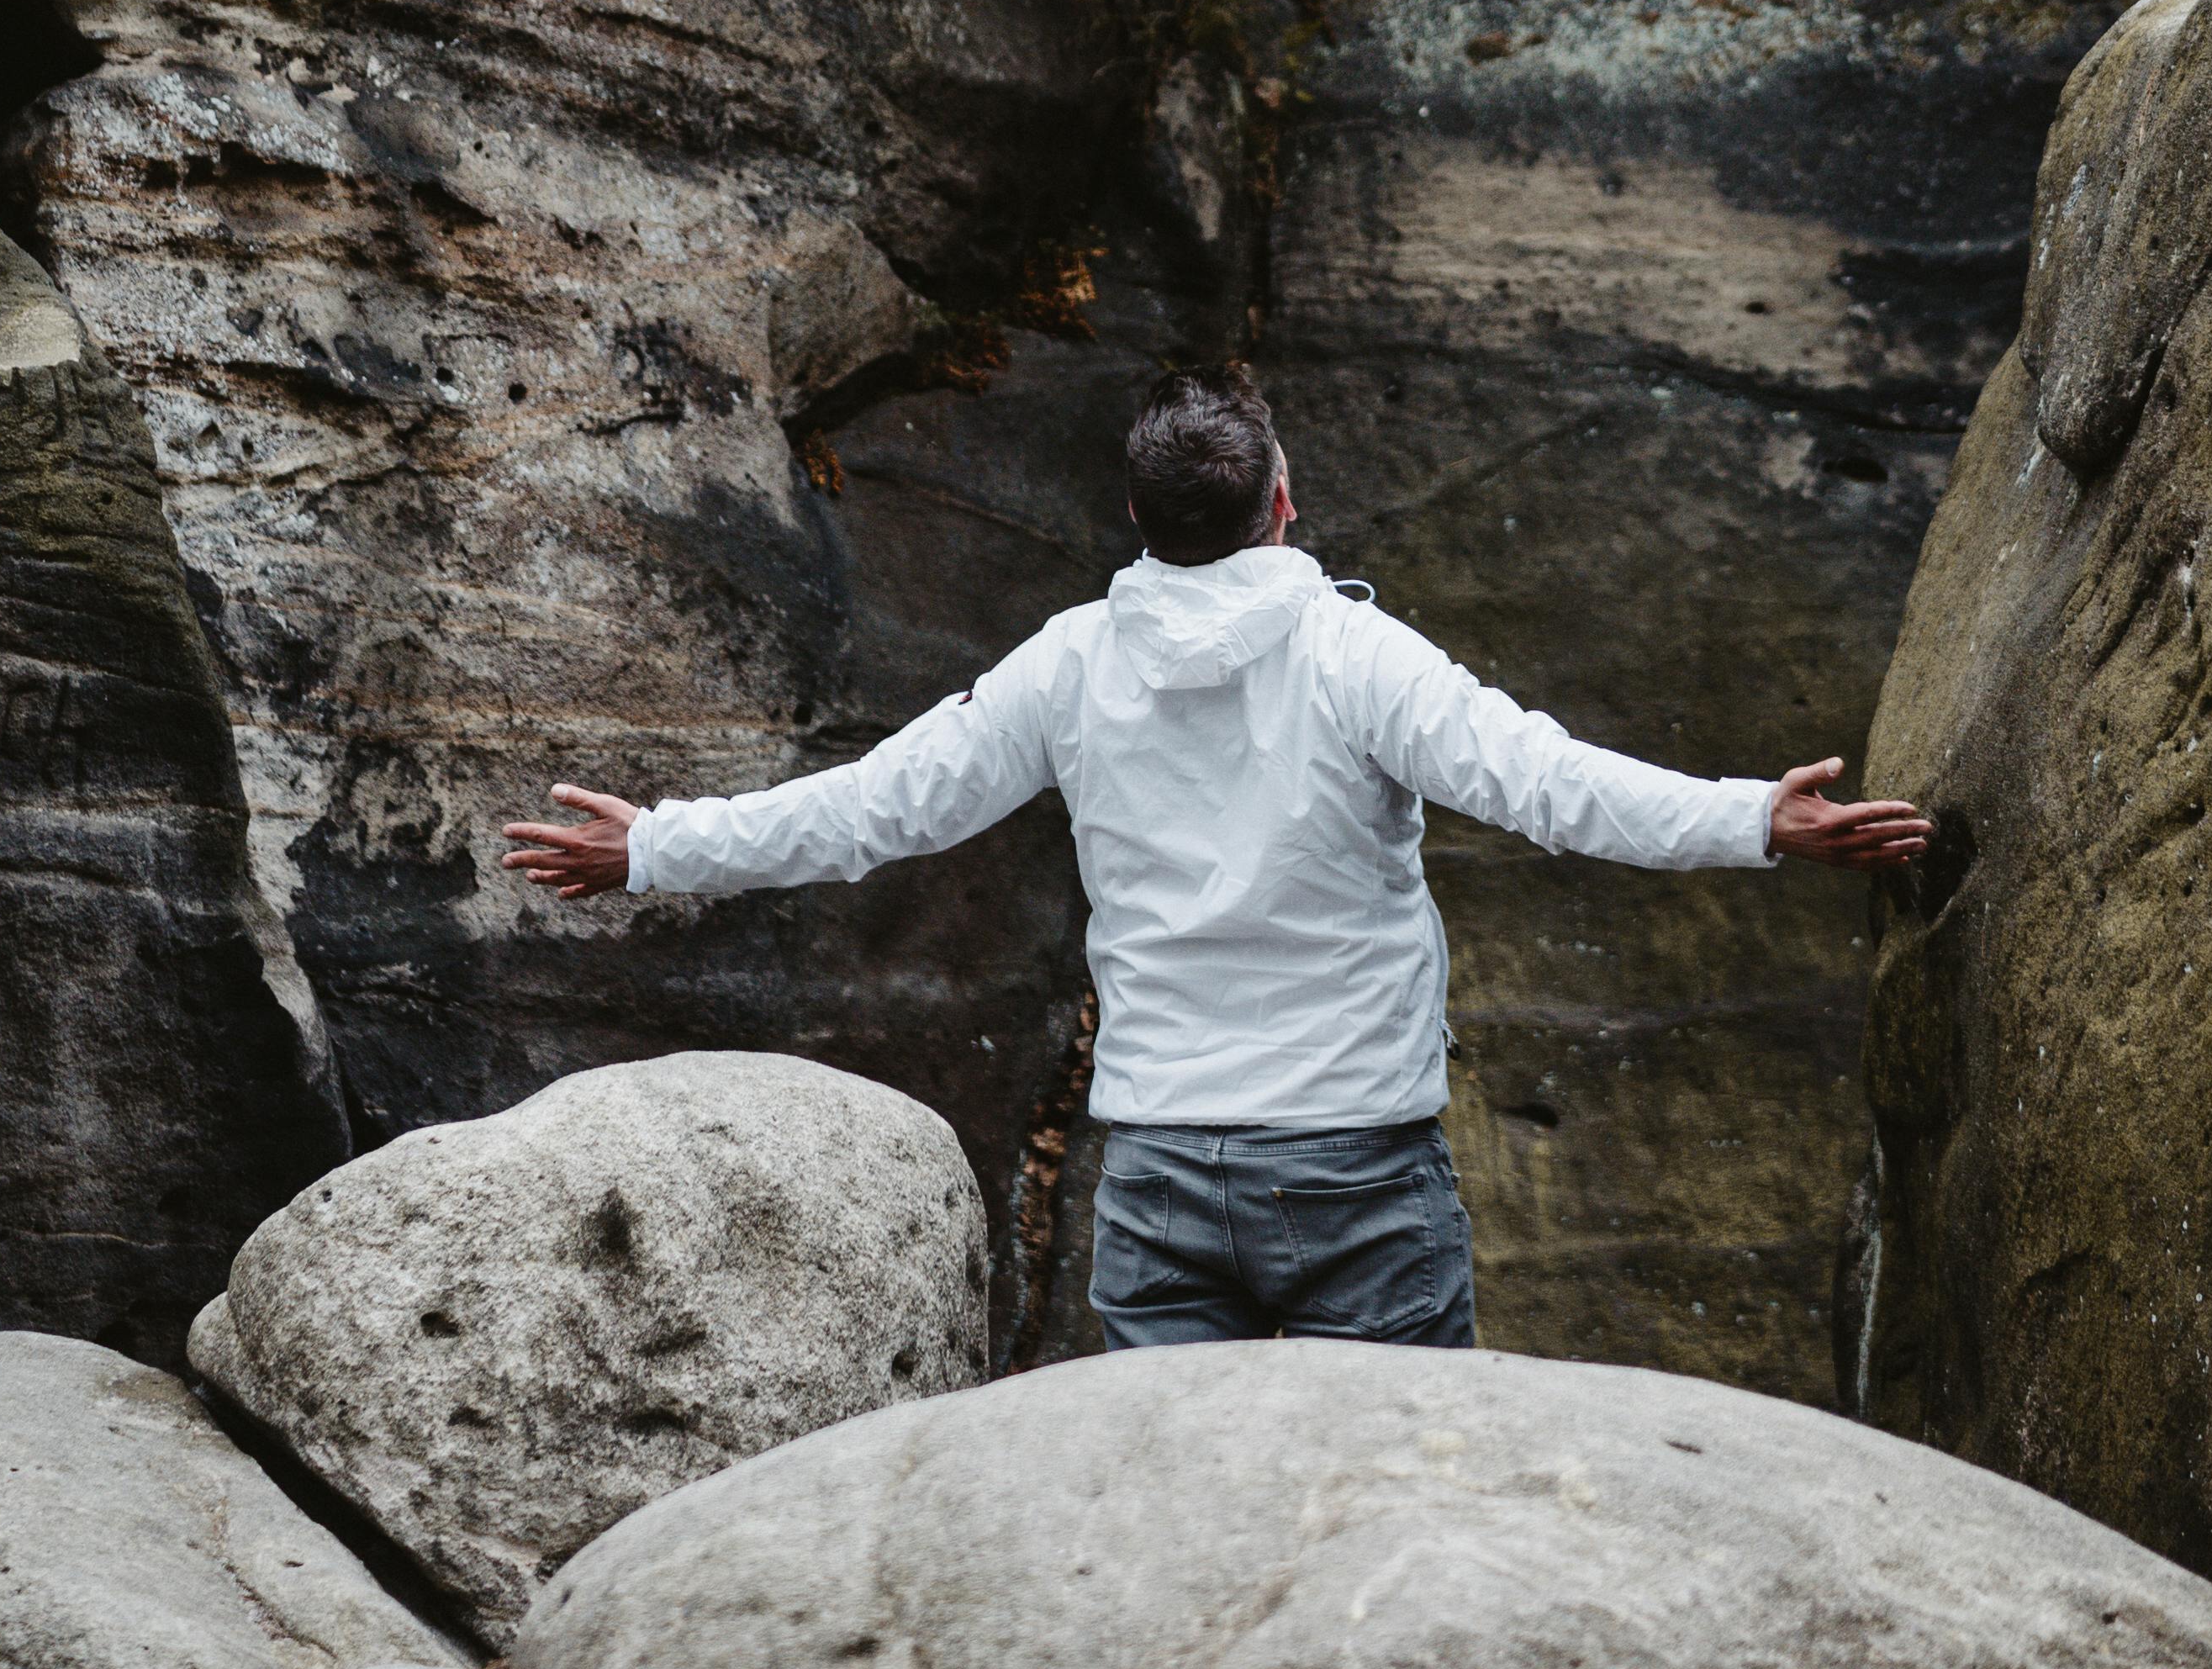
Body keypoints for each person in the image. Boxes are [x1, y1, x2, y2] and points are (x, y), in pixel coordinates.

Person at [502, 357, 1932, 1352]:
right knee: (1389, 1511)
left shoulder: (1069, 667)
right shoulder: (1355, 657)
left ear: (1137, 516)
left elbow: (880, 807)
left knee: (1176, 1546)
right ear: (1285, 499)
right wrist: (1761, 819)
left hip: (1164, 1176)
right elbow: (1549, 787)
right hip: (1361, 1173)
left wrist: (659, 851)